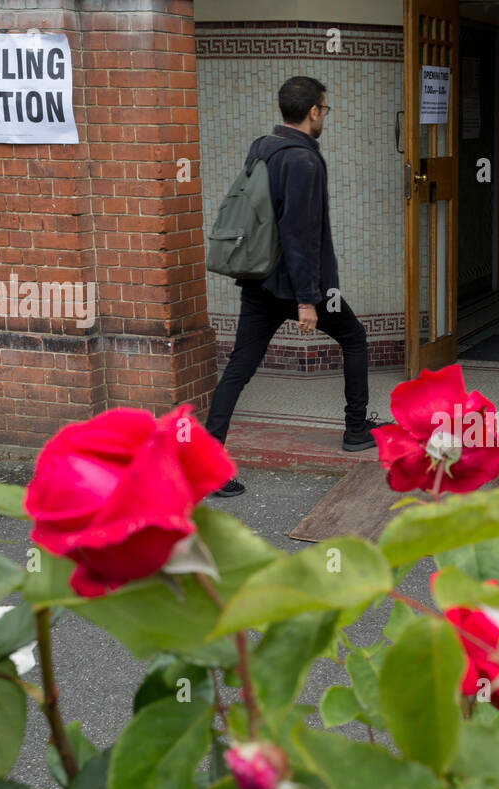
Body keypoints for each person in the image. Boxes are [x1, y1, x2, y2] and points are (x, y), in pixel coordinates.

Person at [205, 76, 385, 498]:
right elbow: (300, 233)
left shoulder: (263, 147)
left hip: (259, 280)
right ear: (314, 112)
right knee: (355, 339)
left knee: (239, 368)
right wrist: (307, 300)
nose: (325, 115)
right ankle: (356, 430)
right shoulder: (303, 161)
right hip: (300, 285)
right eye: (325, 108)